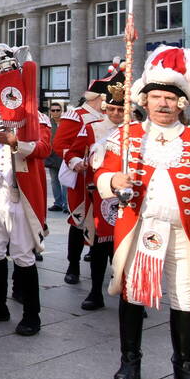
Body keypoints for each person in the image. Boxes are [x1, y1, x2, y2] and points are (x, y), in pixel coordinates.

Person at [96, 46, 190, 379]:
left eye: (170, 98)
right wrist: (114, 182)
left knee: (185, 300)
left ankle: (184, 371)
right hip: (140, 231)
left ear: (183, 103)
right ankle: (130, 361)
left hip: (187, 235)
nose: (163, 104)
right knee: (133, 295)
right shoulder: (125, 137)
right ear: (145, 100)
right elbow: (103, 176)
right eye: (156, 96)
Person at [0, 46, 49, 337]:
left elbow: (44, 149)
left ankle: (32, 315)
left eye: (7, 75)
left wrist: (16, 141)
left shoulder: (35, 116)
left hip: (19, 196)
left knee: (23, 255)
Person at [66, 70, 126, 311]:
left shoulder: (139, 131)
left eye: (120, 110)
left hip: (129, 199)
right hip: (98, 196)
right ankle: (95, 292)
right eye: (111, 109)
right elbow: (71, 151)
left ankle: (130, 297)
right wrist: (75, 163)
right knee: (100, 247)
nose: (115, 114)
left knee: (126, 249)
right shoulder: (92, 128)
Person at [54, 68, 115, 283]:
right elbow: (60, 144)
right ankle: (73, 265)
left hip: (109, 180)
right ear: (100, 97)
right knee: (78, 221)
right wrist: (75, 161)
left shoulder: (112, 117)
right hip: (82, 178)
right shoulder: (77, 114)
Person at [46, 104, 66, 211]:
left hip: (64, 155)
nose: (55, 112)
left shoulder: (66, 123)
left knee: (65, 180)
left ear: (61, 111)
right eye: (53, 110)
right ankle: (58, 203)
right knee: (54, 180)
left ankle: (66, 205)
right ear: (50, 111)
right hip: (52, 156)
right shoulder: (47, 124)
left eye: (57, 110)